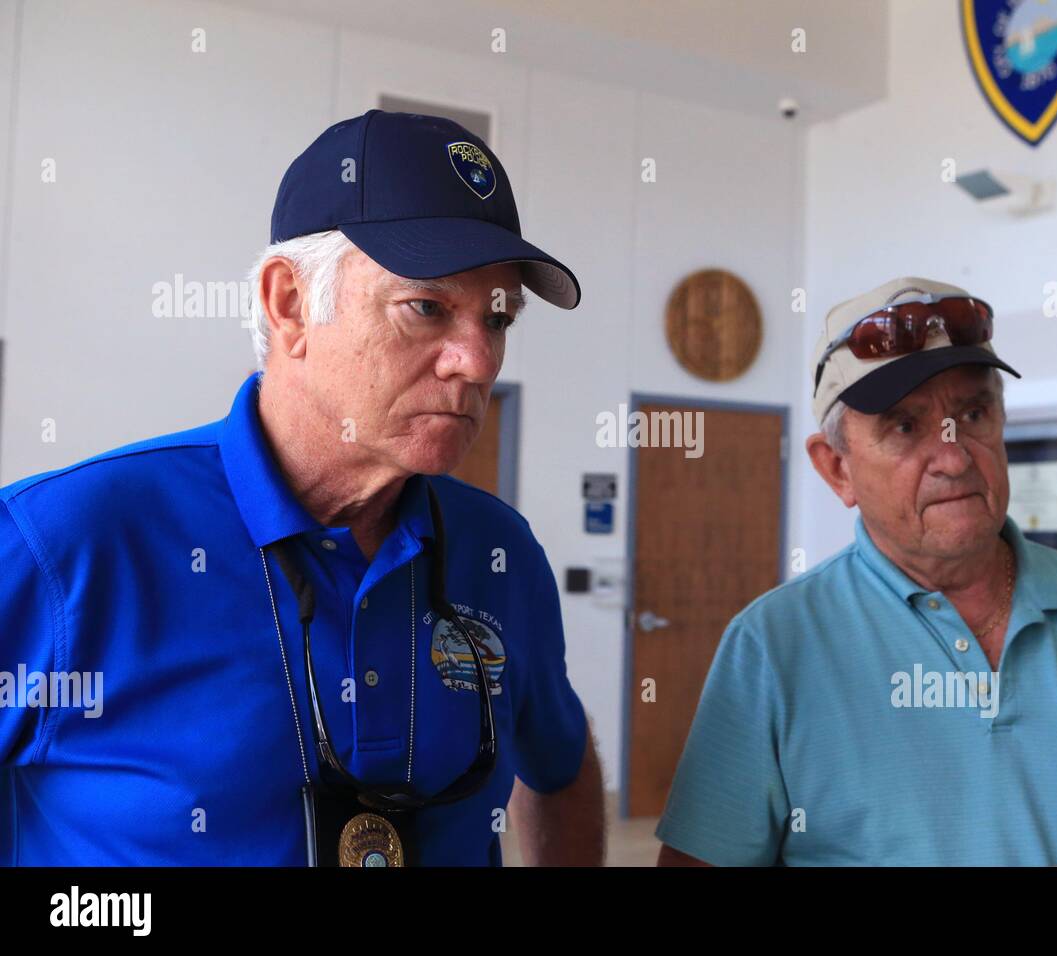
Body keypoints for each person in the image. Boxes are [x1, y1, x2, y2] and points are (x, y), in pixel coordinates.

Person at [0, 111, 604, 866]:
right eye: (427, 308)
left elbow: (560, 764)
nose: (478, 362)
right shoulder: (61, 544)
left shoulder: (498, 550)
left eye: (498, 315)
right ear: (289, 303)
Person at [656, 276, 1057, 866]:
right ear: (837, 469)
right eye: (905, 426)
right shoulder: (774, 647)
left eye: (973, 412)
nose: (955, 455)